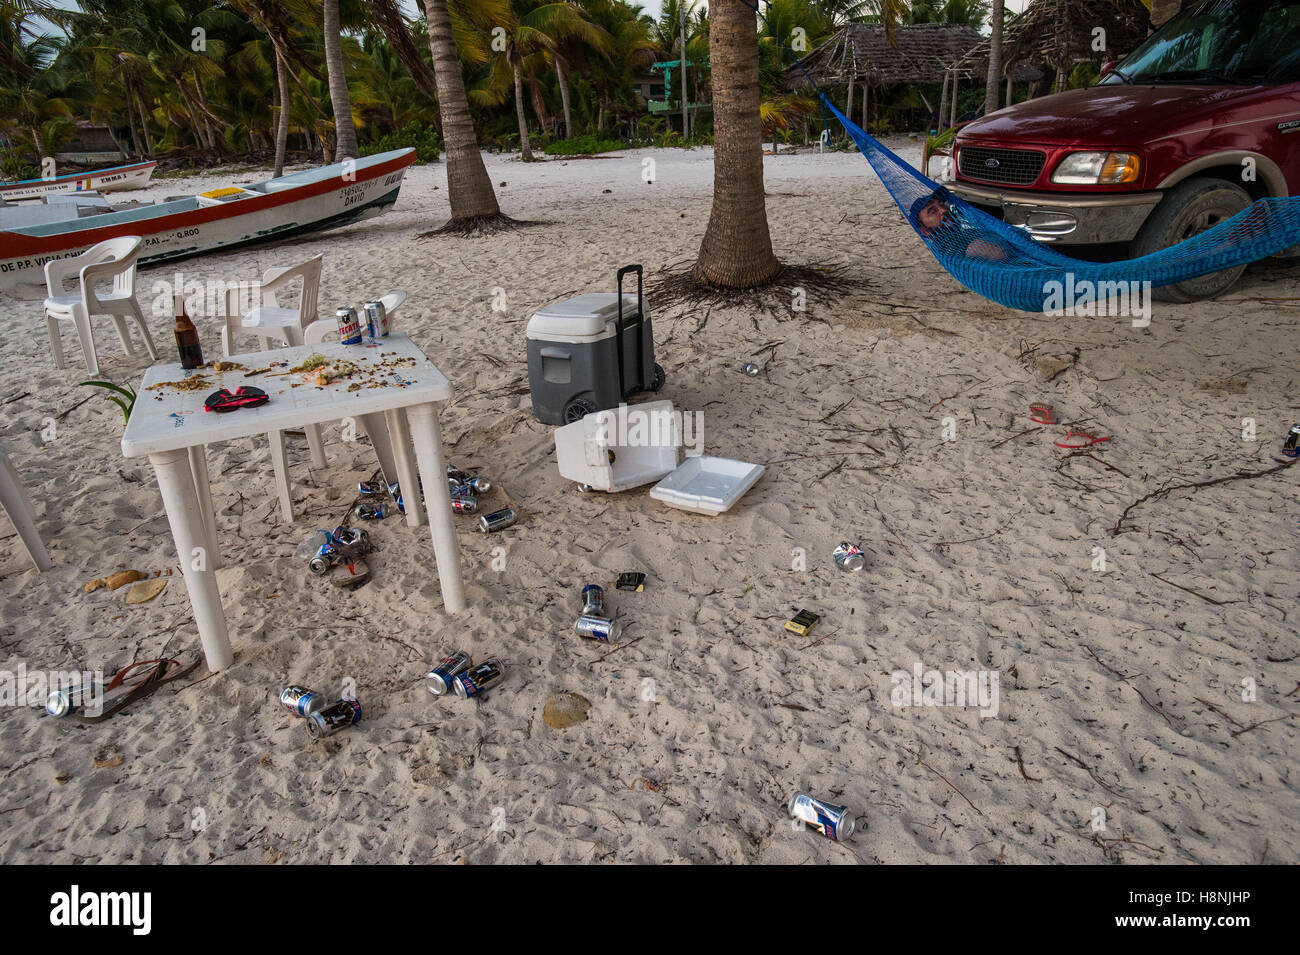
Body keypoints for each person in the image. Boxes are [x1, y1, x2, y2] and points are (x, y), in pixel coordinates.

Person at [908, 187, 1009, 261]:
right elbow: (999, 253)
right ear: (924, 231)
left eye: (942, 204)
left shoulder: (960, 235)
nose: (943, 210)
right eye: (933, 211)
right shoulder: (949, 244)